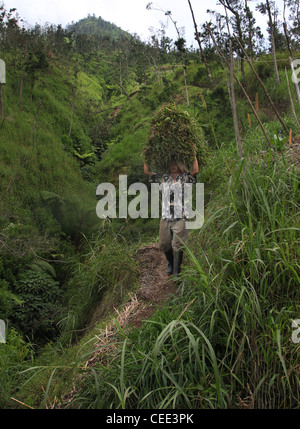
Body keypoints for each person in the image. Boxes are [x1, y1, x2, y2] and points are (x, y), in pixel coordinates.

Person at [144, 152, 198, 278]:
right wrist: (146, 155)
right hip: (166, 215)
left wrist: (194, 154)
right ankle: (170, 263)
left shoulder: (184, 177)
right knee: (164, 243)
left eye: (175, 164)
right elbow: (147, 171)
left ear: (179, 165)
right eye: (171, 164)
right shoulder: (164, 178)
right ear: (168, 166)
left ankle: (177, 271)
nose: (173, 166)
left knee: (178, 244)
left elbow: (195, 170)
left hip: (181, 216)